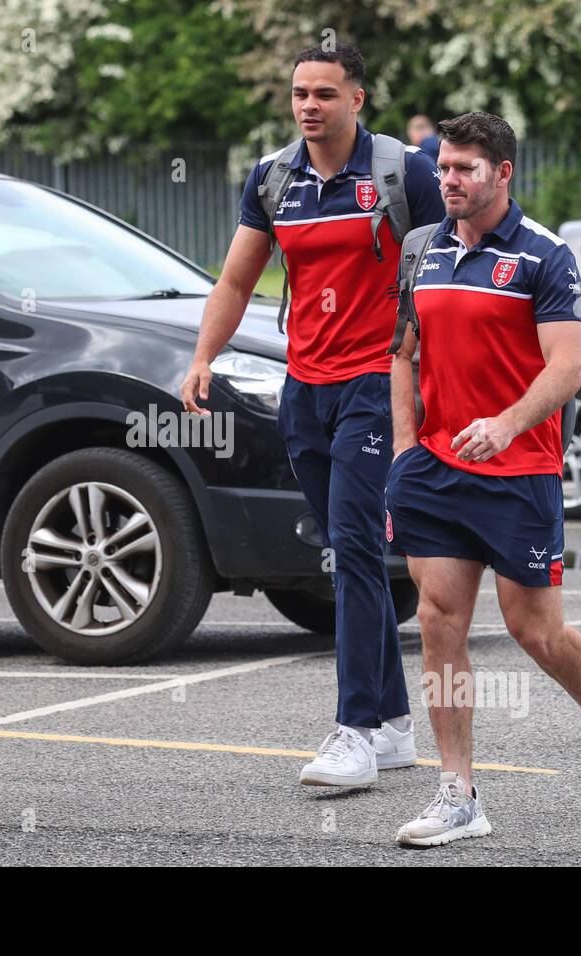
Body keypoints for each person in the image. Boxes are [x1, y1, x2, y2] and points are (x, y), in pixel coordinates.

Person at [182, 43, 444, 787]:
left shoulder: (403, 173)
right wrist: (203, 356)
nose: (309, 105)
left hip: (375, 383)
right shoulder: (274, 178)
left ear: (357, 99)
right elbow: (236, 278)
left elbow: (445, 271)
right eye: (300, 92)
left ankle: (355, 729)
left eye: (325, 93)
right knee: (344, 549)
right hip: (304, 387)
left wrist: (424, 383)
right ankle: (393, 724)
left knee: (356, 550)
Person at [385, 111, 581, 846]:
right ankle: (459, 793)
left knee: (536, 632)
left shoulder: (544, 256)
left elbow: (567, 367)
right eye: (443, 167)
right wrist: (405, 449)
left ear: (503, 173)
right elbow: (402, 351)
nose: (449, 180)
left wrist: (505, 422)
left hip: (518, 469)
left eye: (465, 168)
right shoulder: (422, 249)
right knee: (440, 621)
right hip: (434, 468)